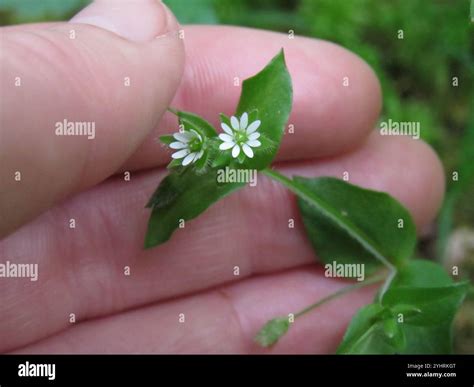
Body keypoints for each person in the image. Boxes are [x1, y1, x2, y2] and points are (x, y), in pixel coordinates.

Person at [0, 0, 444, 353]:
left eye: (199, 143)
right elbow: (229, 150)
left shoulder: (245, 141)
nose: (201, 145)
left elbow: (247, 141)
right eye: (197, 144)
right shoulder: (223, 151)